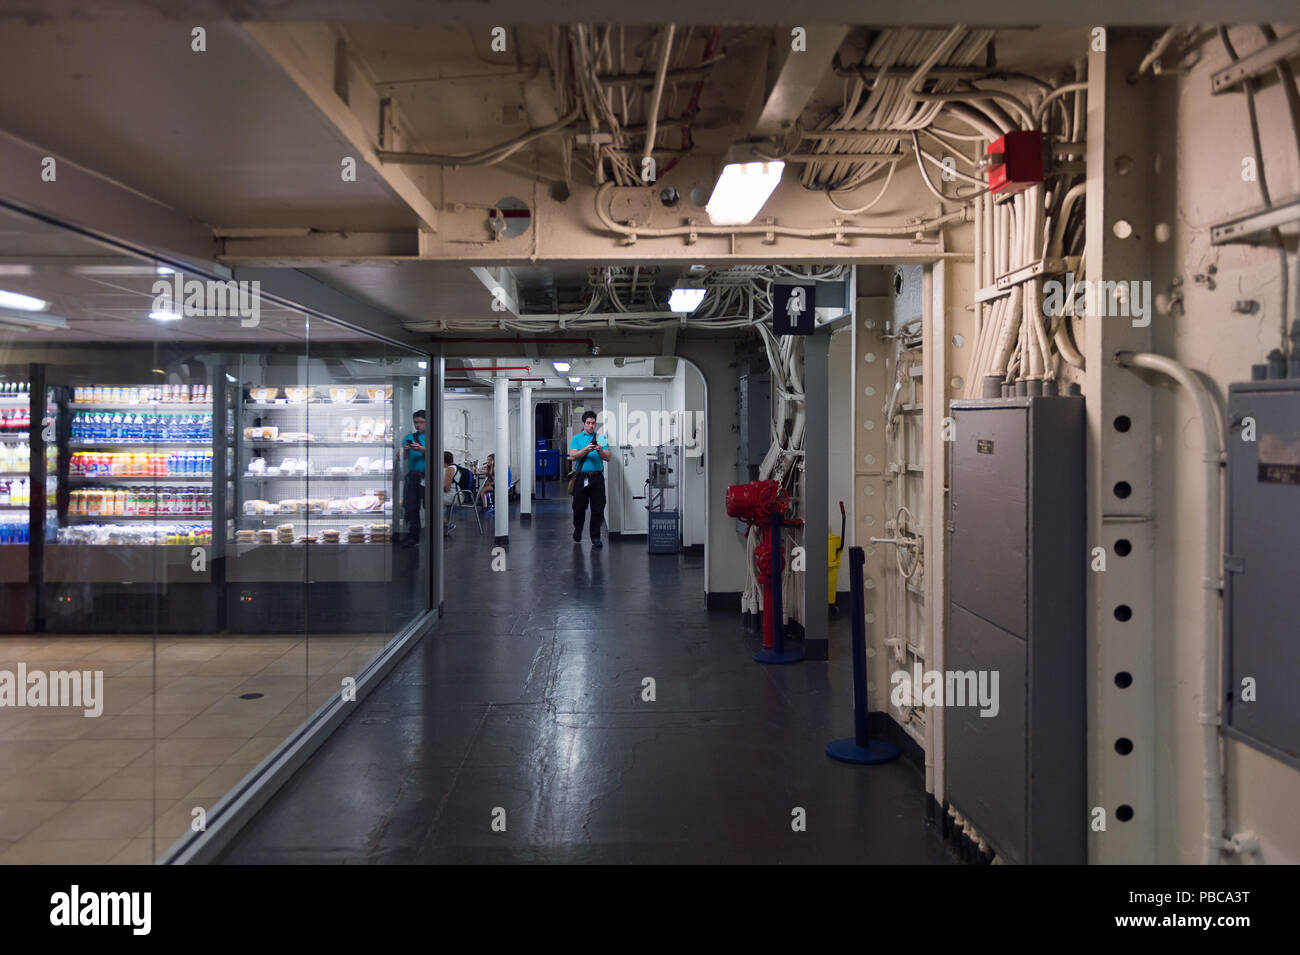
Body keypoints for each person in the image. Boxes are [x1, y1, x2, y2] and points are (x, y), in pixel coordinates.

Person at [569, 409, 611, 546]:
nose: (591, 425)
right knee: (579, 507)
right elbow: (573, 456)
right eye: (588, 423)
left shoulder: (601, 438)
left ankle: (595, 537)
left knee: (598, 507)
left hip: (597, 478)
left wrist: (599, 450)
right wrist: (586, 449)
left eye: (593, 423)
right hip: (581, 478)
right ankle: (578, 529)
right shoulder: (576, 439)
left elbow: (608, 457)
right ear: (583, 423)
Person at [400, 410, 427, 547]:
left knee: (429, 506)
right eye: (416, 422)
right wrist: (405, 450)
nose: (418, 425)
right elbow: (401, 458)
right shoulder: (409, 437)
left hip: (428, 476)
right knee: (411, 507)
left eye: (421, 422)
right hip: (413, 476)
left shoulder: (432, 437)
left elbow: (437, 455)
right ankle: (413, 536)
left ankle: (434, 535)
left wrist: (422, 449)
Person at [441, 451, 457, 535]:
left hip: (455, 495)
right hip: (457, 493)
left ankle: (447, 524)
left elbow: (446, 488)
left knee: (430, 503)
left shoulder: (450, 469)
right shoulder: (454, 467)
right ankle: (444, 524)